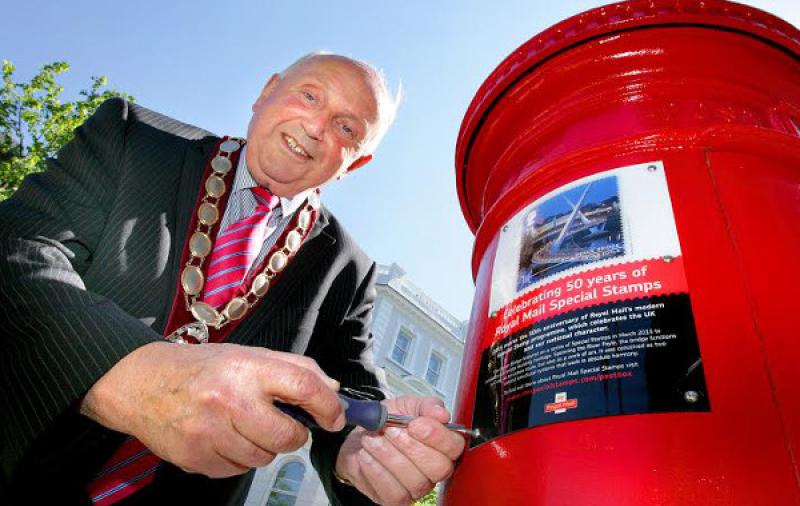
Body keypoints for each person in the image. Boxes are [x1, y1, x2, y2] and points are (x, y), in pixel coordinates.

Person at [0, 53, 466, 505]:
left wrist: (365, 450)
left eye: (347, 128)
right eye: (309, 96)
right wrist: (130, 379)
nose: (315, 127)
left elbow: (350, 396)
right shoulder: (134, 139)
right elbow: (17, 247)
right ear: (266, 92)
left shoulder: (348, 269)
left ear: (355, 164)